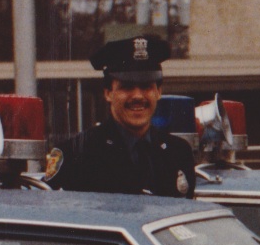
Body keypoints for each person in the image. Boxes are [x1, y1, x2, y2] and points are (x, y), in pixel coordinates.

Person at [46, 35, 195, 198]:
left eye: (146, 86)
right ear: (108, 93)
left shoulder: (179, 152)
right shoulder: (75, 154)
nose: (138, 96)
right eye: (127, 87)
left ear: (158, 92)